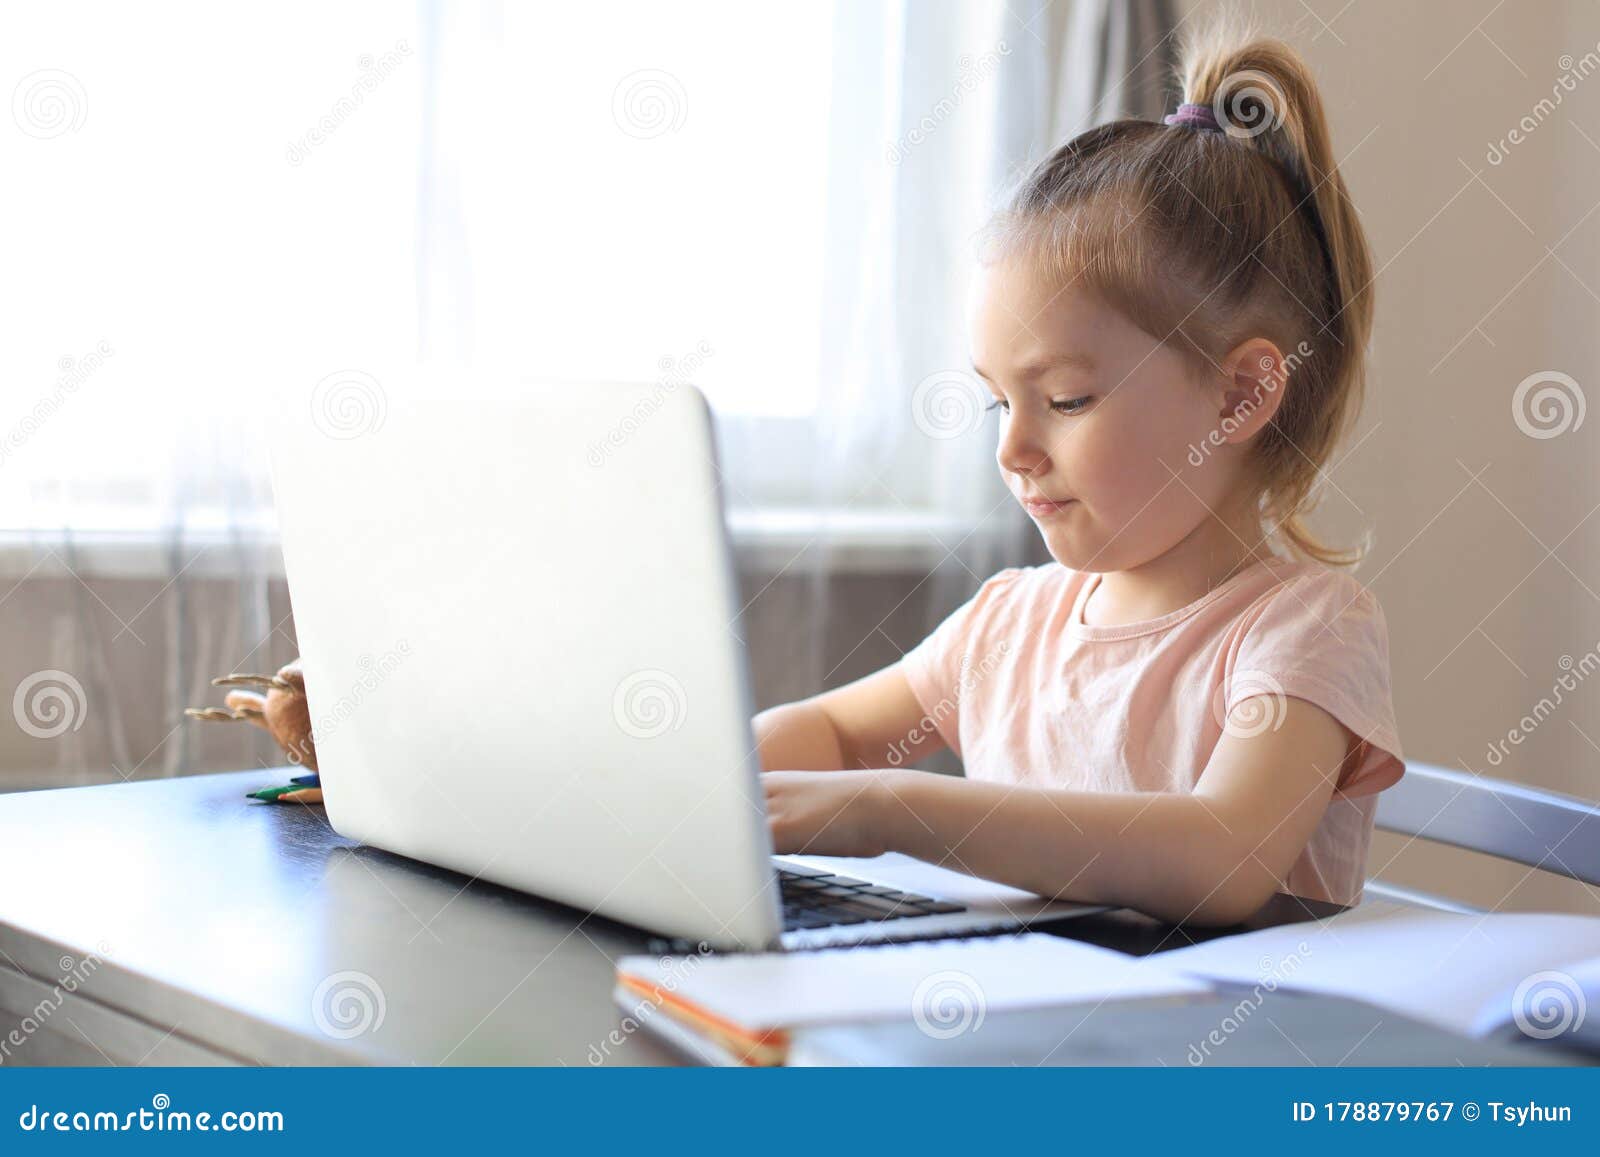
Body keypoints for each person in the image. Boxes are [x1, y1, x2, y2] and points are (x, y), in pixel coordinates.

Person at [754, 20, 1404, 924]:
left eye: (1063, 400)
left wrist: (893, 809)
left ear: (1240, 395)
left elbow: (1219, 857)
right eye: (996, 402)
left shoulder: (1307, 632)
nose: (1011, 449)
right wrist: (727, 774)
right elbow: (829, 733)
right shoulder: (1006, 627)